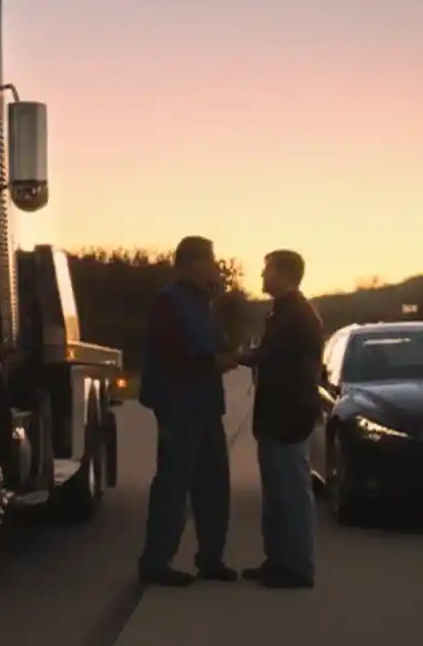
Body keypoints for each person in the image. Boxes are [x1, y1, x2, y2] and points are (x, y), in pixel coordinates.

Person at [137, 236, 241, 587]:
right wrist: (214, 363)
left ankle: (211, 558)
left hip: (206, 406)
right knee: (173, 484)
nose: (215, 266)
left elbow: (215, 341)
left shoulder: (204, 303)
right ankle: (156, 561)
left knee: (214, 485)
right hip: (179, 406)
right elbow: (170, 353)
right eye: (210, 259)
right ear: (193, 263)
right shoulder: (168, 303)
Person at [238, 249, 324, 589]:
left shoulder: (297, 316)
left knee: (291, 494)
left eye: (268, 270)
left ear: (285, 274)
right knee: (277, 495)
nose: (262, 276)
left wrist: (239, 357)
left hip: (289, 417)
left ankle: (297, 567)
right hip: (277, 416)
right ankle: (277, 561)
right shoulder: (284, 312)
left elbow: (276, 359)